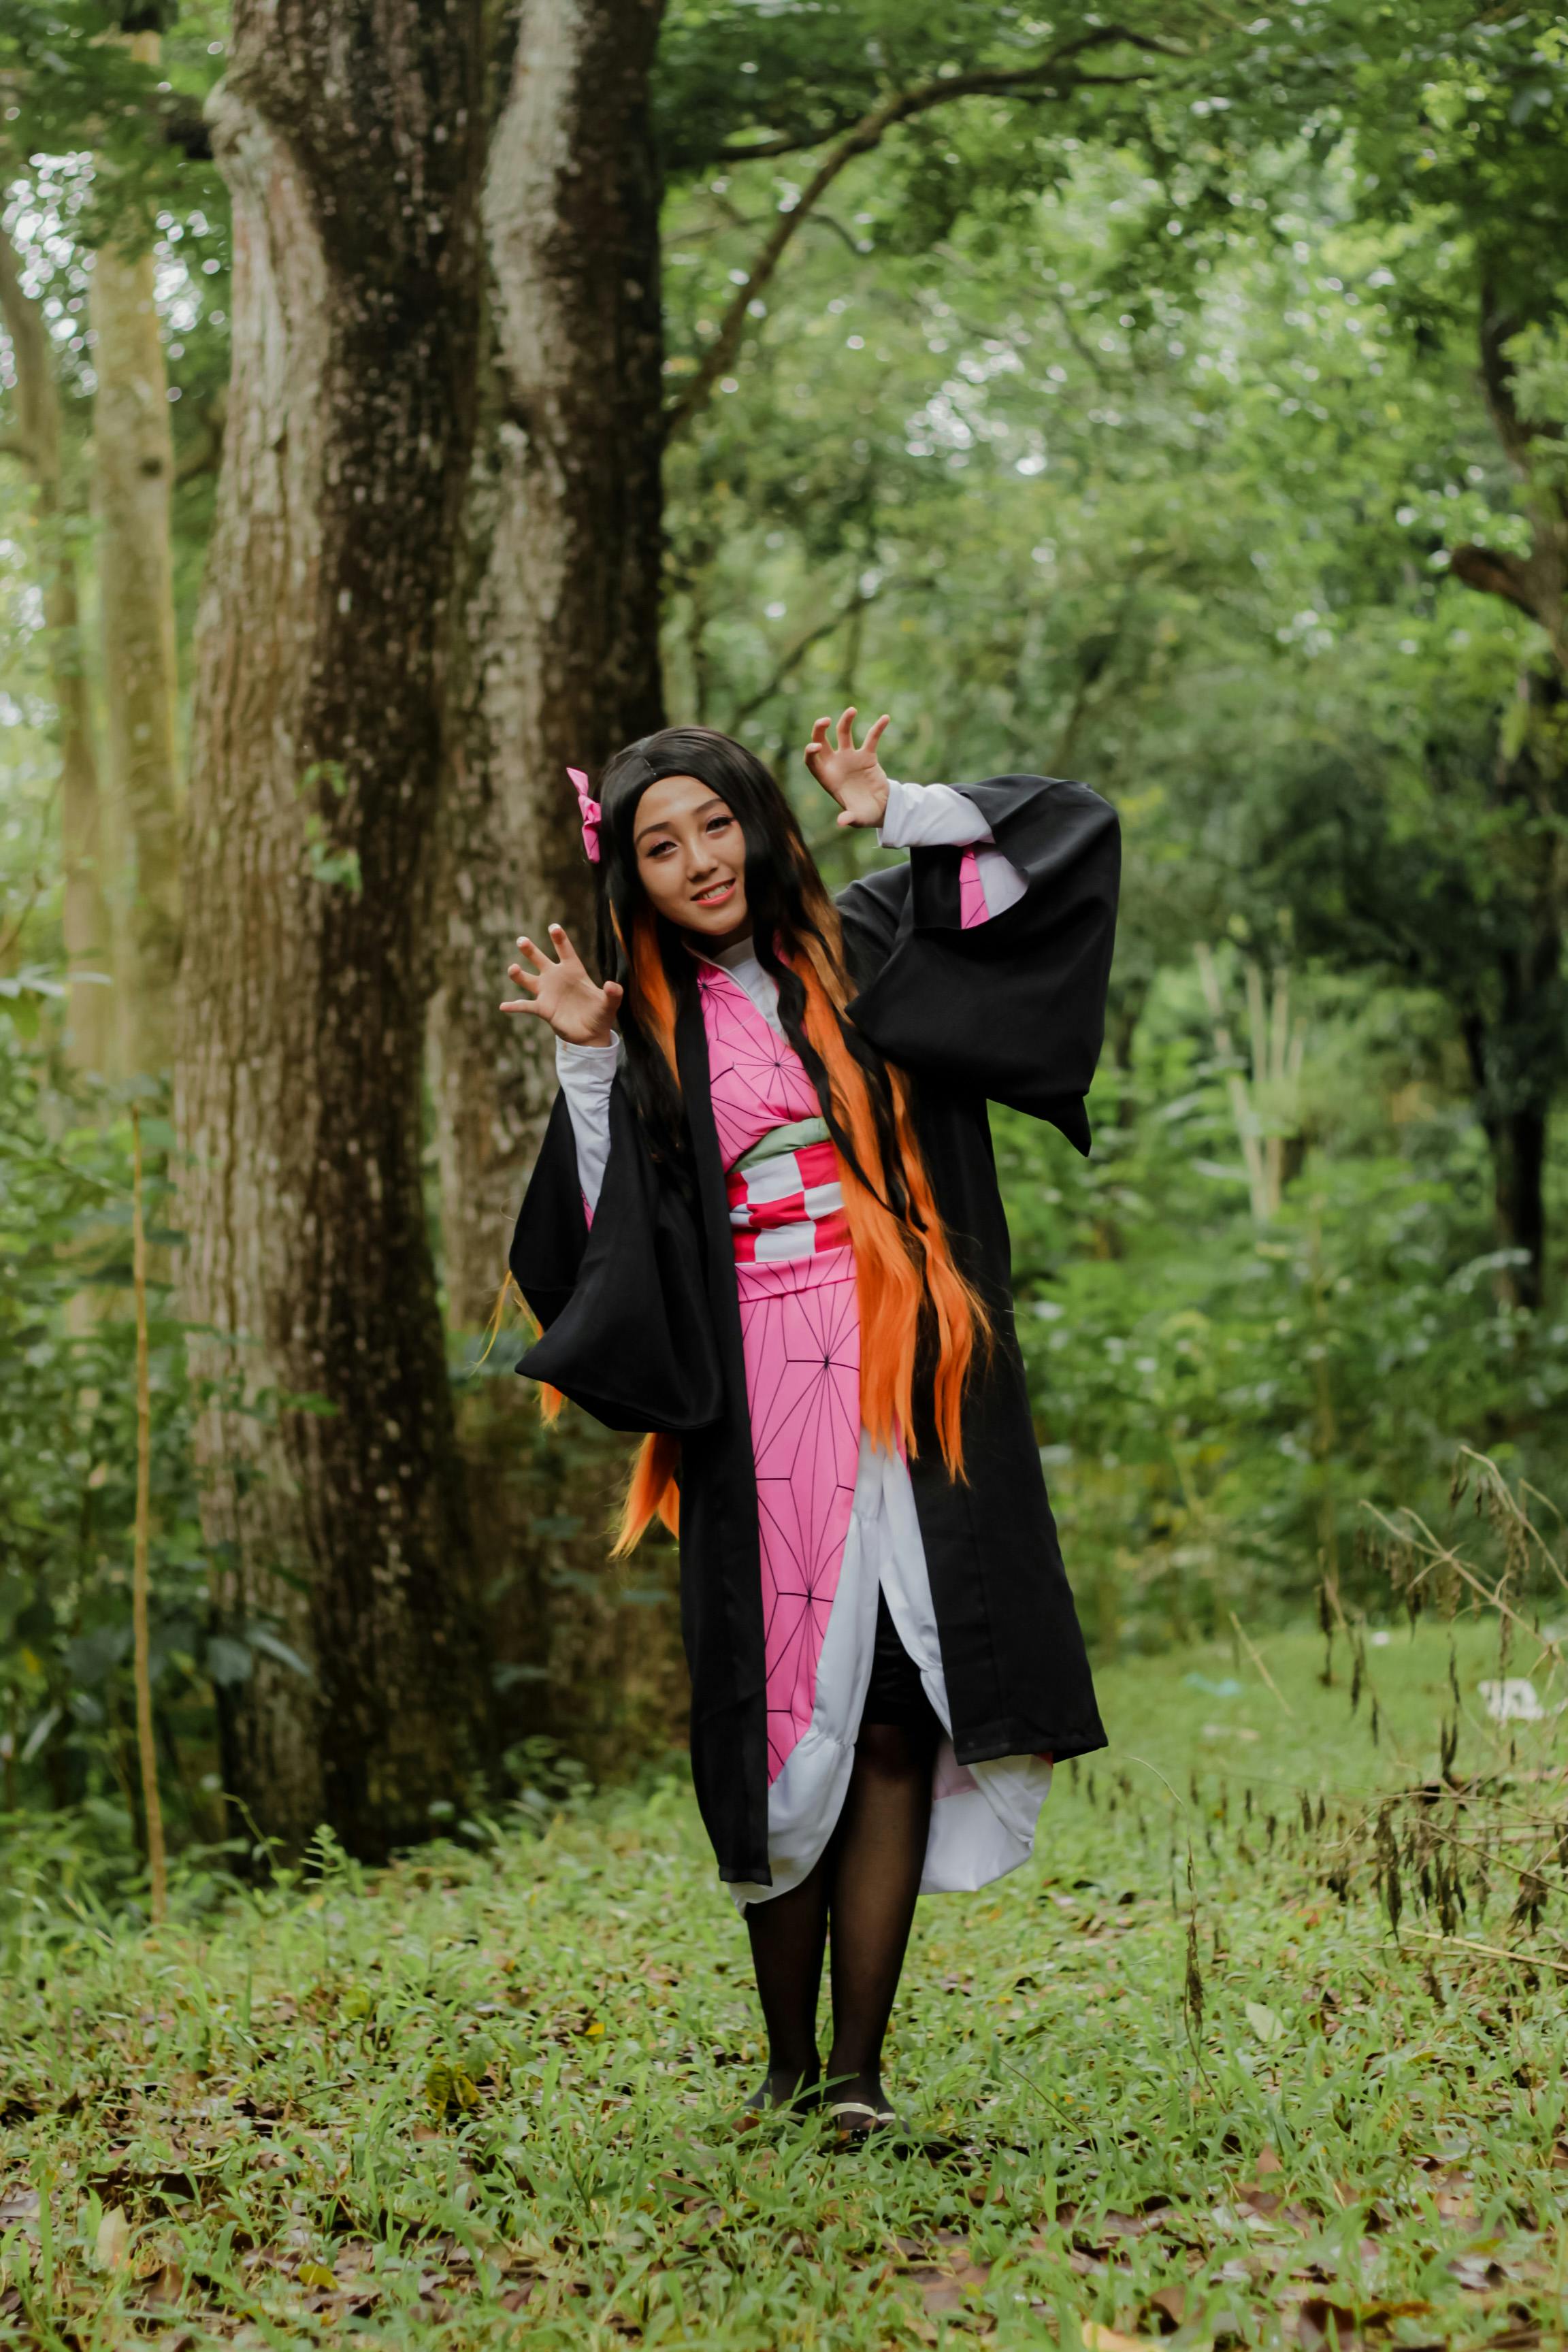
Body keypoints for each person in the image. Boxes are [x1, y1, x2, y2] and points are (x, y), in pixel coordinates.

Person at [502, 710, 1119, 2132]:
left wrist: (897, 806)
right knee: (781, 1726)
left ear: (762, 822)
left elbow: (1064, 843)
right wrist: (586, 1067)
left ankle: (856, 2078)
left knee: (902, 1710)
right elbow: (588, 1264)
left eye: (715, 823)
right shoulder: (643, 1031)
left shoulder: (877, 938)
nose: (698, 860)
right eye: (661, 845)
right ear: (632, 879)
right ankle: (782, 2063)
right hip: (757, 1403)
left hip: (909, 1375)